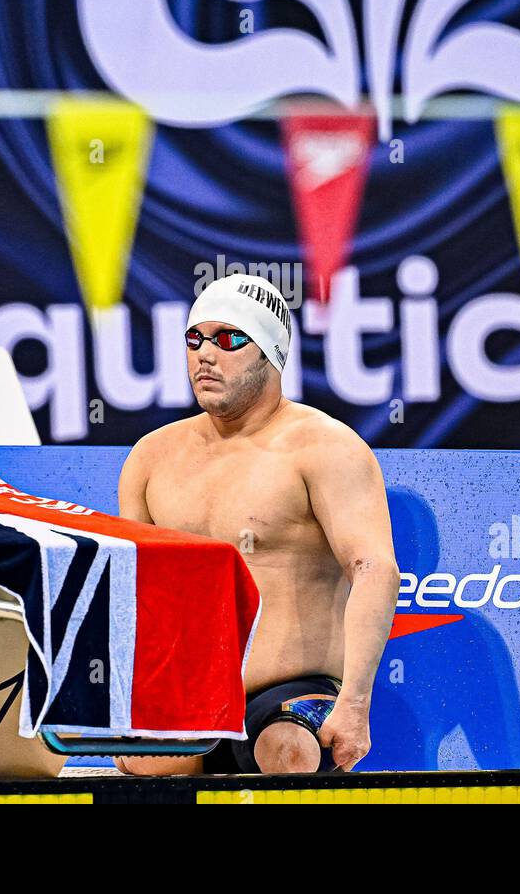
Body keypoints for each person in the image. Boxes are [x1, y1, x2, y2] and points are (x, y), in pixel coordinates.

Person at [115, 272, 399, 774]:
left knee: (287, 749)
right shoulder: (151, 458)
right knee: (145, 763)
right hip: (189, 693)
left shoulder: (324, 448)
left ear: (270, 353)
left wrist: (355, 703)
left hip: (292, 694)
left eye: (227, 339)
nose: (205, 353)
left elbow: (373, 569)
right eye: (194, 338)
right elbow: (132, 594)